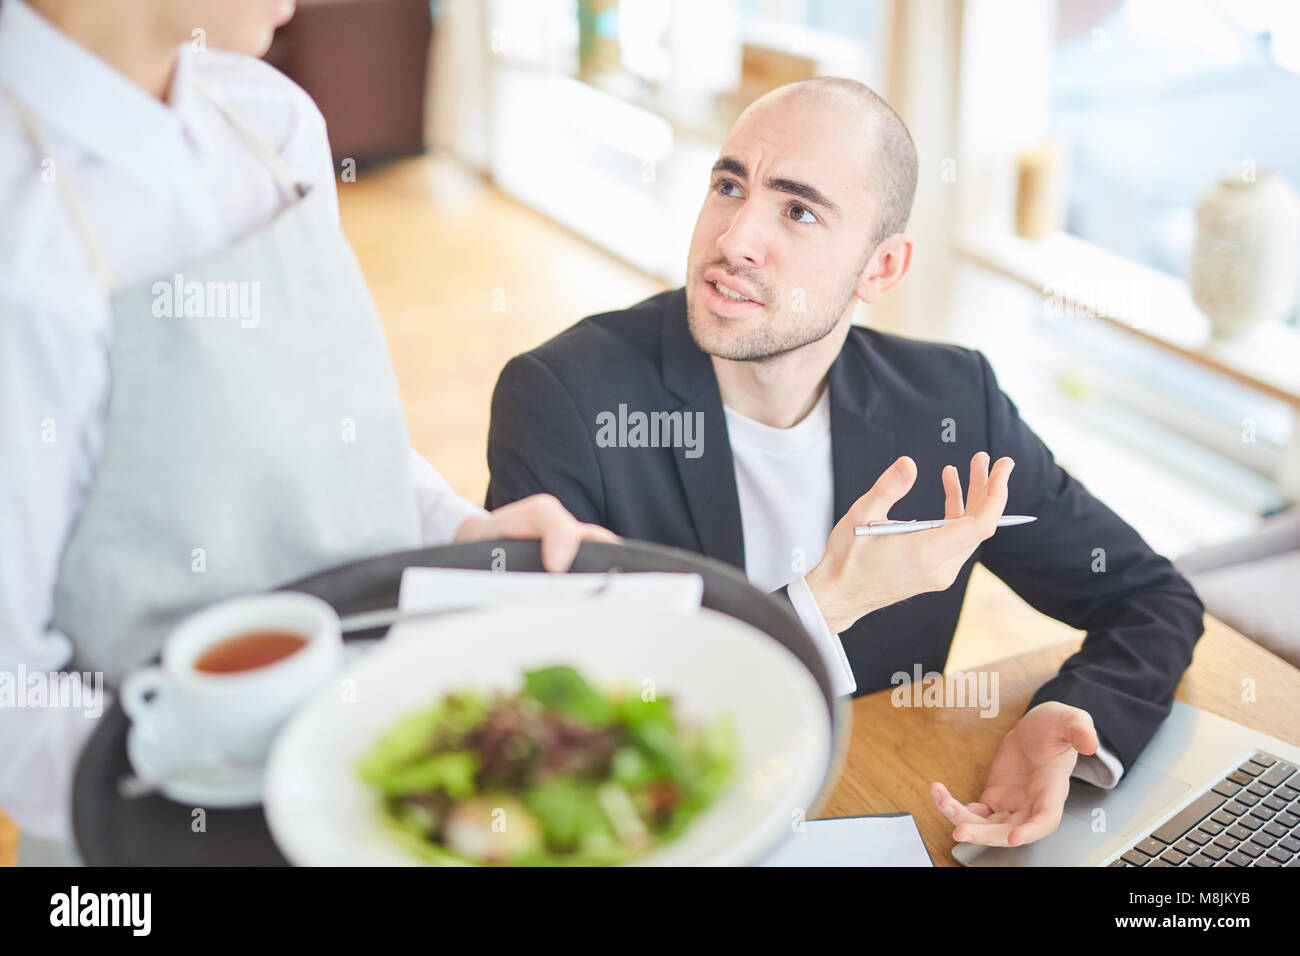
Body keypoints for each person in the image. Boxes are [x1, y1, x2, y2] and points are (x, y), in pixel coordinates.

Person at [486, 77, 1206, 848]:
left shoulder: (952, 402)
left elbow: (1150, 595)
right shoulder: (564, 398)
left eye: (797, 210)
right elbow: (546, 714)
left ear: (882, 269)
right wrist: (819, 607)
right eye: (729, 185)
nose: (733, 239)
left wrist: (1069, 718)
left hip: (876, 806)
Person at [0, 0, 612, 863]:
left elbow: (325, 431)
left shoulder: (269, 121)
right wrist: (257, 763)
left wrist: (462, 533)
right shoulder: (20, 240)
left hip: (379, 774)